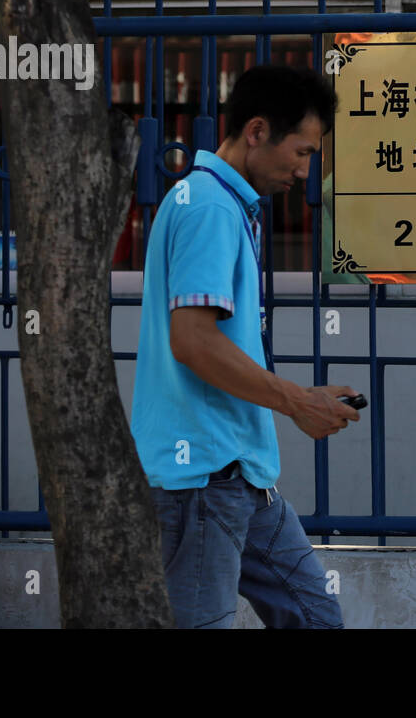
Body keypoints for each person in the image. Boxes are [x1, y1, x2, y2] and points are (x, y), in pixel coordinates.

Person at [130, 64, 362, 628]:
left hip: (243, 477)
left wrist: (297, 395)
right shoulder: (208, 206)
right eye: (302, 152)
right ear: (256, 132)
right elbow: (193, 341)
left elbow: (214, 344)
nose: (305, 172)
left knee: (316, 619)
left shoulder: (227, 205)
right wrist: (295, 403)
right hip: (203, 482)